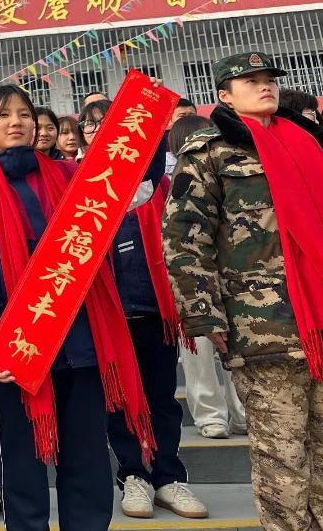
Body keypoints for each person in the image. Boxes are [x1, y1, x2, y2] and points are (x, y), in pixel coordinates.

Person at [0, 85, 153, 531]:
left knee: (88, 465)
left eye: (24, 114)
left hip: (82, 343)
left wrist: (140, 120)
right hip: (20, 349)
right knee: (22, 470)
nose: (17, 122)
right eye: (3, 116)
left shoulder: (71, 176)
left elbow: (136, 182)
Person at [165, 52, 323, 531]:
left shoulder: (309, 141)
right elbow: (184, 237)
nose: (264, 87)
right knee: (283, 459)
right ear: (224, 94)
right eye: (249, 80)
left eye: (269, 79)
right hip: (261, 327)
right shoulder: (209, 152)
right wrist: (204, 315)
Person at [86, 100, 207, 520]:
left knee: (161, 399)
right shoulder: (82, 188)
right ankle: (133, 475)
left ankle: (168, 477)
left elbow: (153, 176)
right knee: (119, 401)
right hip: (109, 314)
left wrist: (146, 123)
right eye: (93, 129)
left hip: (155, 309)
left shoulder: (152, 185)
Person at [166, 115, 247, 436]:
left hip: (231, 278)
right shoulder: (172, 179)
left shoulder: (227, 173)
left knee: (235, 349)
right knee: (197, 352)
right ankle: (210, 416)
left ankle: (241, 412)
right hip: (192, 281)